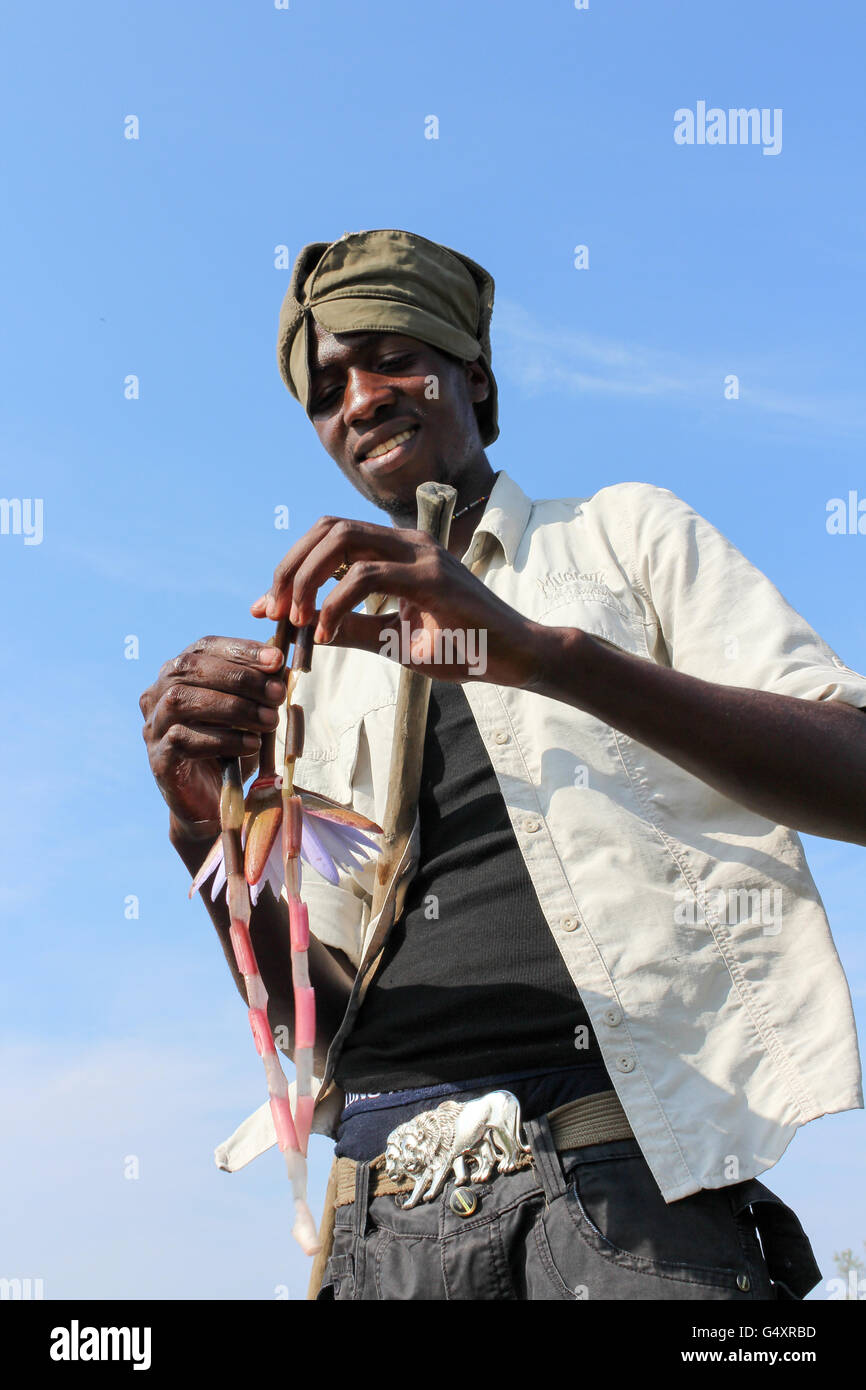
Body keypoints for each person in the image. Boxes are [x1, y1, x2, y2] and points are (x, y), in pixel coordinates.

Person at [140, 229, 866, 1301]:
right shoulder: (320, 670)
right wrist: (204, 836)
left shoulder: (622, 537)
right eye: (326, 386)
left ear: (473, 375)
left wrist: (542, 655)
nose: (359, 397)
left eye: (389, 354)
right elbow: (320, 1017)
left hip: (625, 1195)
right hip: (379, 1212)